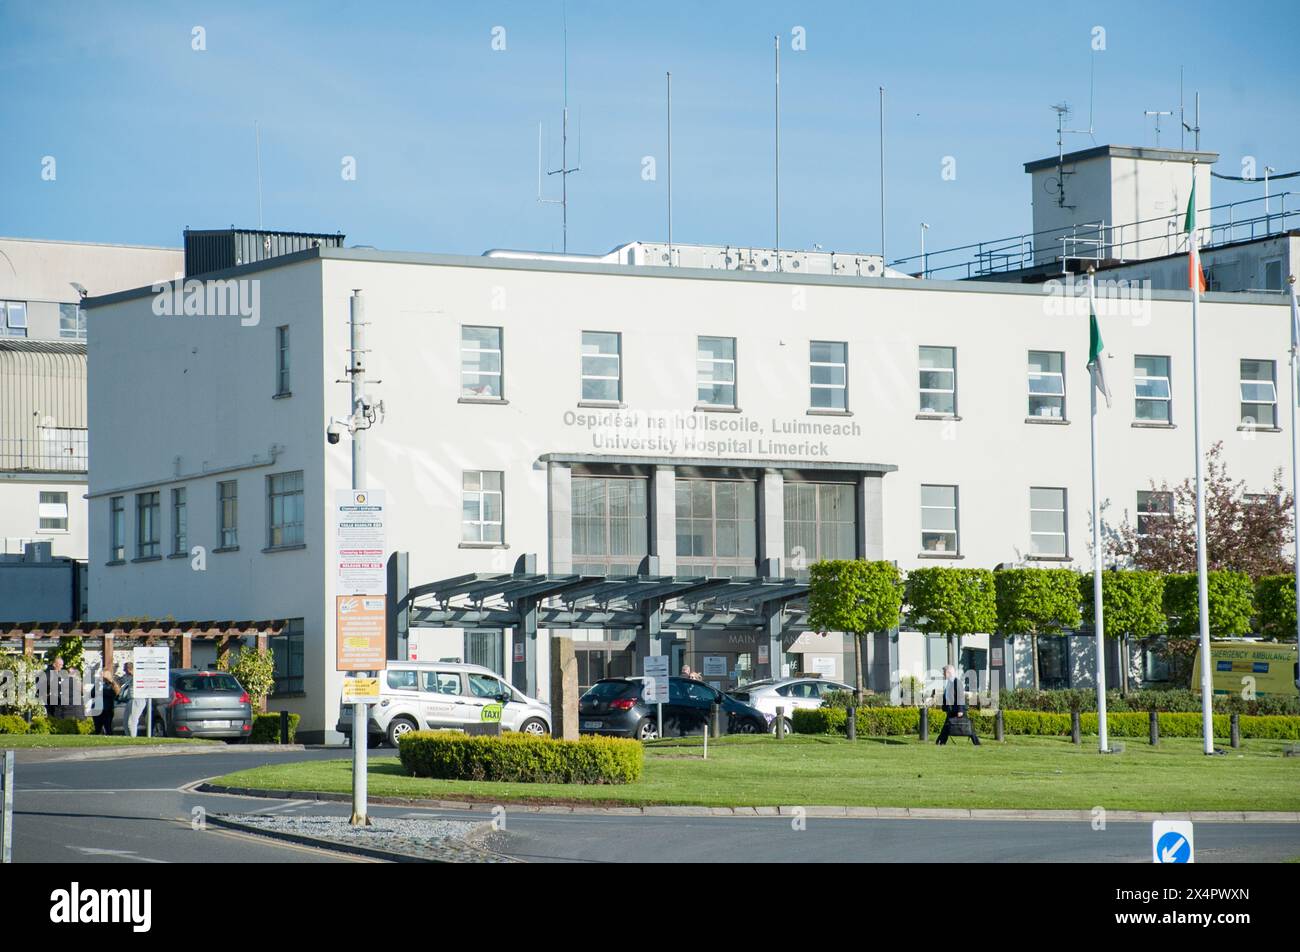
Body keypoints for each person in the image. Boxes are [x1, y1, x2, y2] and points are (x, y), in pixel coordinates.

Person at [936, 664, 980, 746]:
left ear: (949, 672)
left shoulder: (957, 682)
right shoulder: (949, 682)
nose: (943, 674)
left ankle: (977, 743)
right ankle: (940, 742)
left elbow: (960, 696)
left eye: (944, 672)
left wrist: (960, 710)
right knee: (946, 726)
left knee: (968, 726)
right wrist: (945, 707)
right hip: (951, 709)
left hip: (957, 710)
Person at [122, 661, 147, 737]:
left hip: (138, 699)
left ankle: (133, 738)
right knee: (125, 722)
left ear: (129, 669)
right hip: (130, 700)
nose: (124, 671)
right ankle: (128, 738)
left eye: (125, 669)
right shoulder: (130, 678)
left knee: (131, 722)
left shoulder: (138, 676)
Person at [92, 669, 118, 736]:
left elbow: (115, 693)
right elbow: (92, 694)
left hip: (107, 709)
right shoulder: (98, 684)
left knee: (108, 728)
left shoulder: (112, 684)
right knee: (97, 728)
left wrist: (101, 692)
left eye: (104, 675)